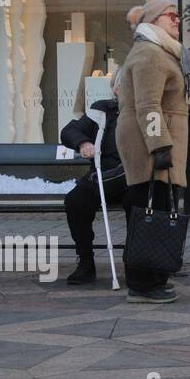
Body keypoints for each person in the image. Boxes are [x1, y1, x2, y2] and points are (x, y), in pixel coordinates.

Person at [114, 0, 190, 304]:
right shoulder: (149, 54)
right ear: (152, 21)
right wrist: (159, 146)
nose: (177, 20)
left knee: (158, 209)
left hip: (157, 141)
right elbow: (148, 107)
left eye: (178, 15)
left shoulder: (162, 52)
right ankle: (142, 284)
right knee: (146, 211)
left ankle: (154, 278)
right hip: (149, 143)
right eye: (170, 15)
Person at [59, 98, 125, 285]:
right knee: (75, 200)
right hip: (102, 176)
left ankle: (135, 262)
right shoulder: (104, 109)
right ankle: (85, 261)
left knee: (139, 201)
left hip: (132, 176)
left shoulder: (144, 107)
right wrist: (83, 143)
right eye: (120, 85)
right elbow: (69, 131)